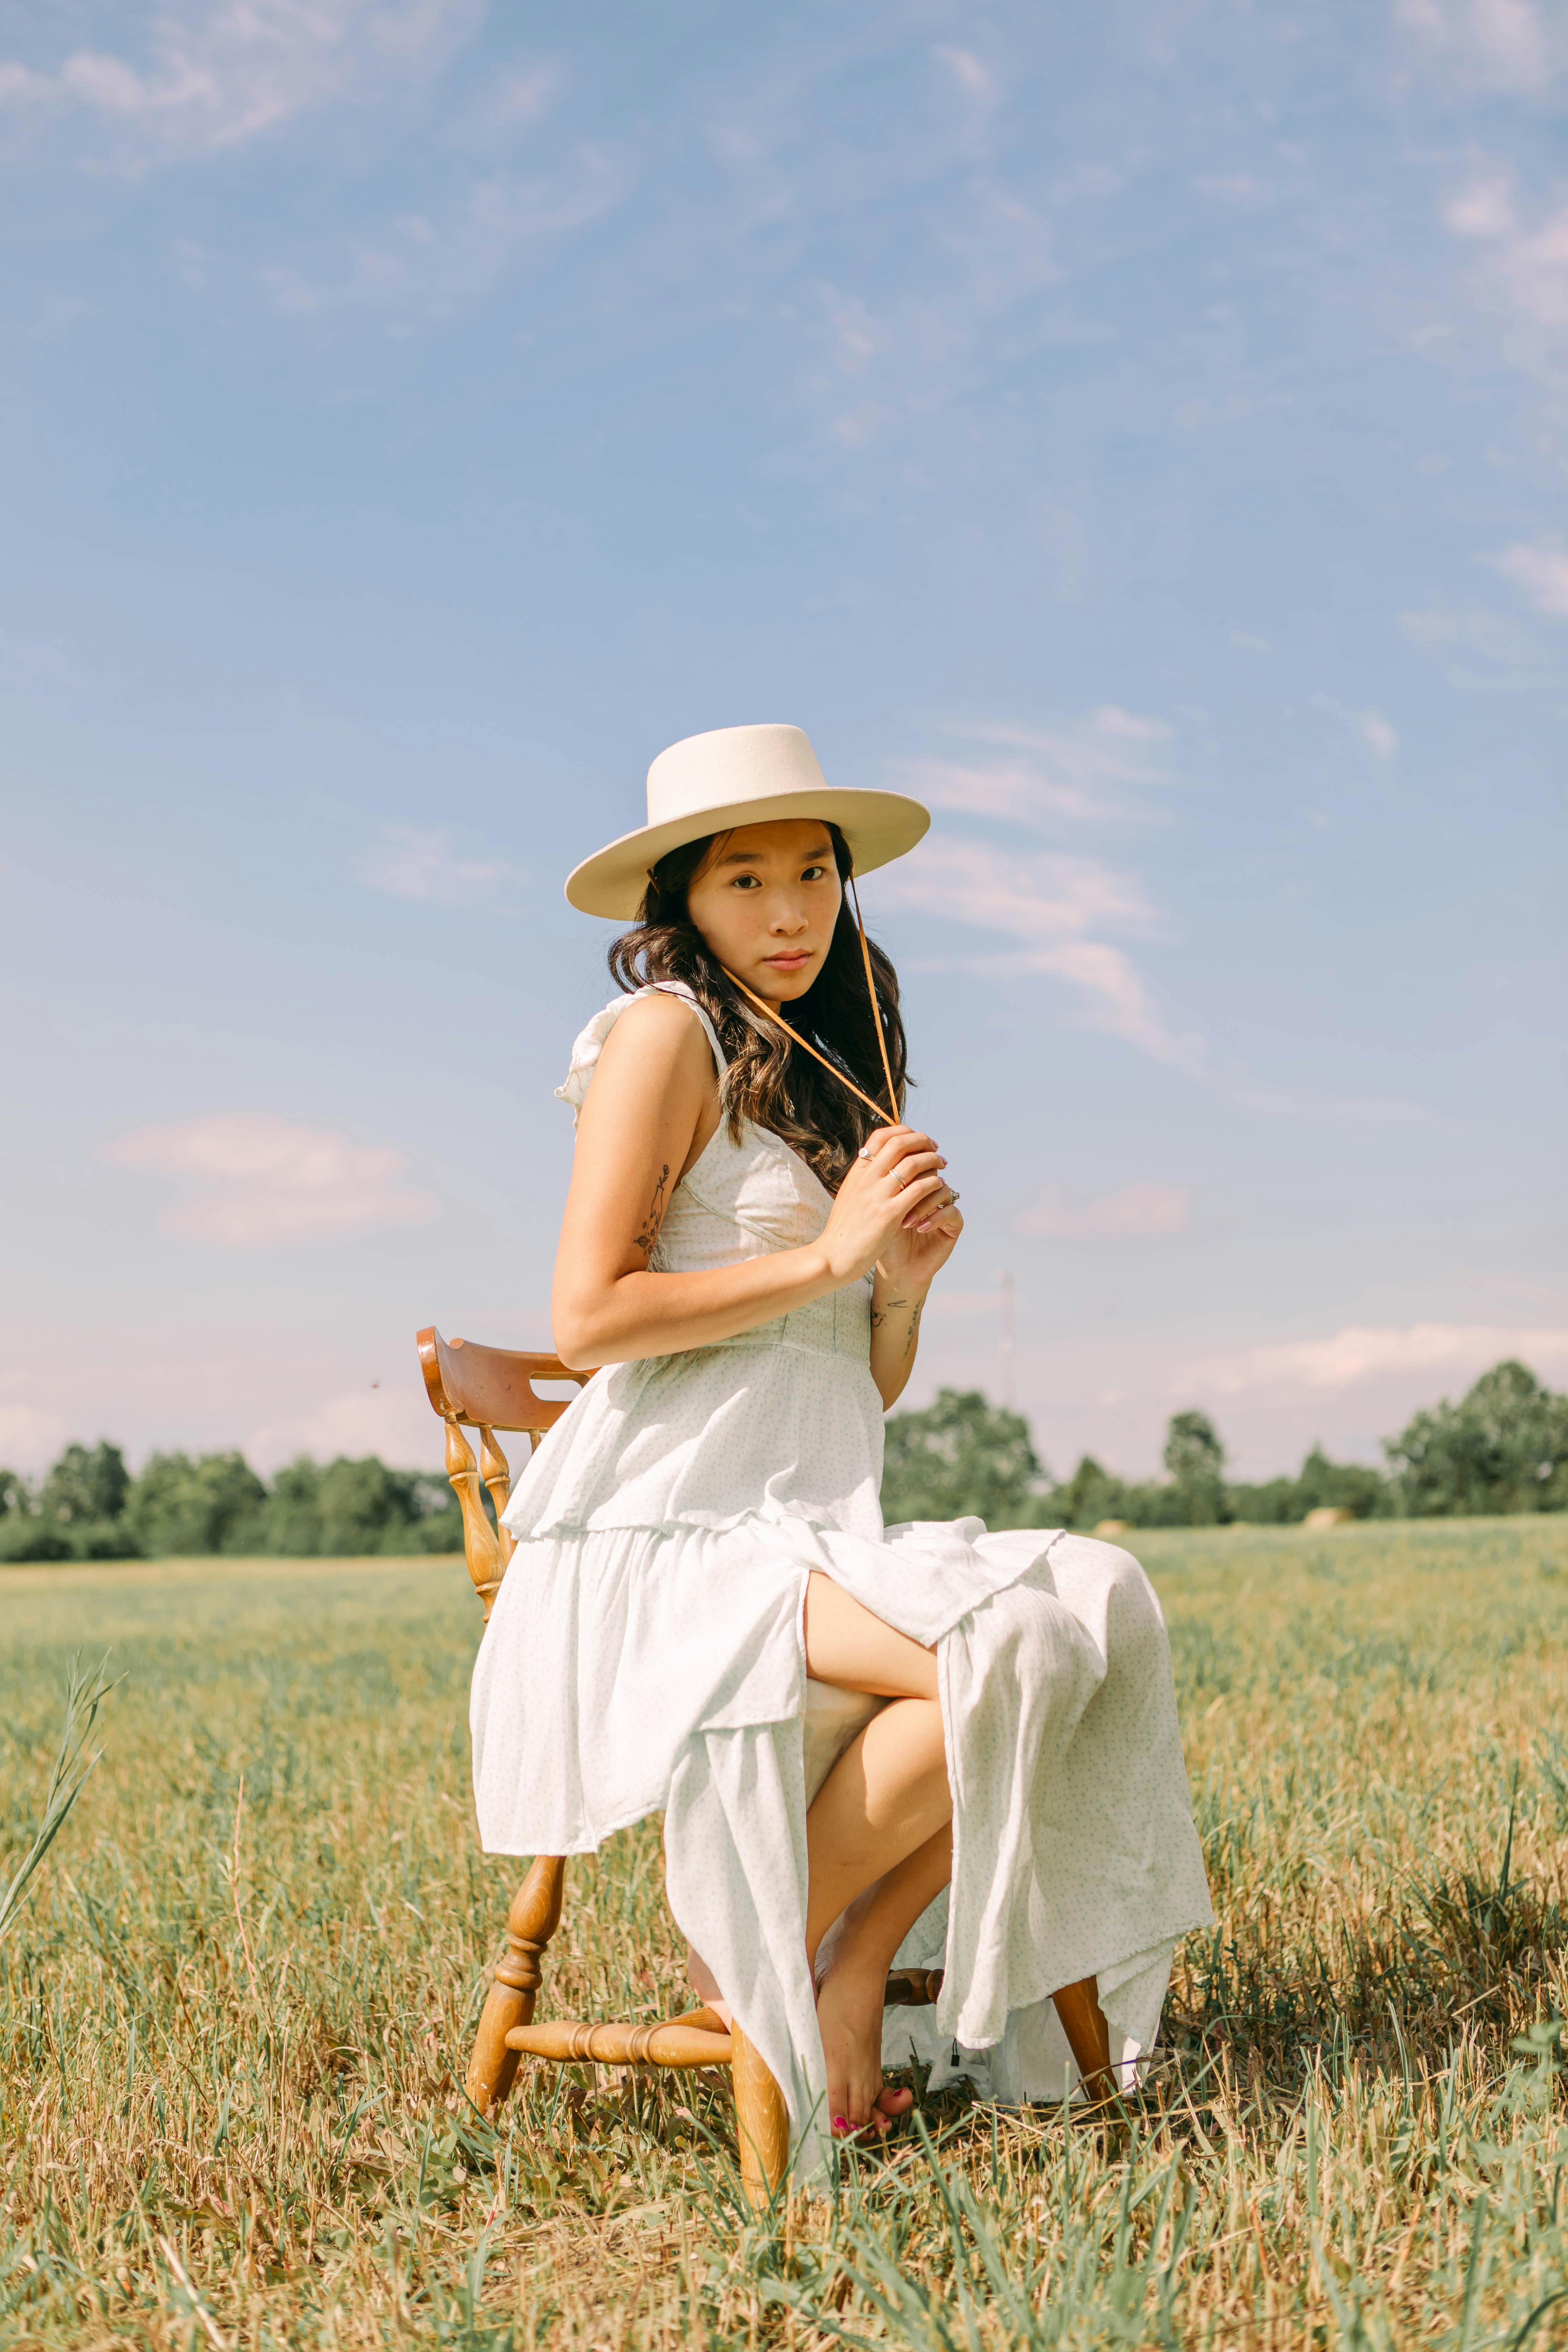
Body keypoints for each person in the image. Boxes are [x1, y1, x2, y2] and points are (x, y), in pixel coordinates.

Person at [470, 723, 1213, 2169]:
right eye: (744, 880)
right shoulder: (660, 1037)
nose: (790, 910)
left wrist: (899, 1291)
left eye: (811, 873)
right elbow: (588, 1310)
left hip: (799, 1527)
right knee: (1003, 1653)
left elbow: (851, 1395)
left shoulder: (826, 1062)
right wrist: (830, 1262)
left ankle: (840, 1960)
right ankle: (768, 1957)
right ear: (681, 899)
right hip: (659, 1539)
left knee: (1080, 1617)